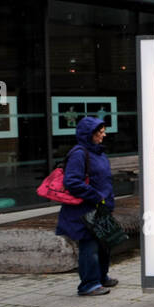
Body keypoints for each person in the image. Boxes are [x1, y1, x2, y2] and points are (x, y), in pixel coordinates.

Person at [55, 116, 117, 296]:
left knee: (105, 243)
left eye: (104, 131)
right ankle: (89, 284)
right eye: (100, 132)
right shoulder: (79, 154)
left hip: (101, 207)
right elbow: (72, 181)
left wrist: (107, 201)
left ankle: (101, 277)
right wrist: (96, 196)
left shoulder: (98, 153)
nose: (104, 135)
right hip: (85, 209)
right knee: (89, 246)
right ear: (89, 134)